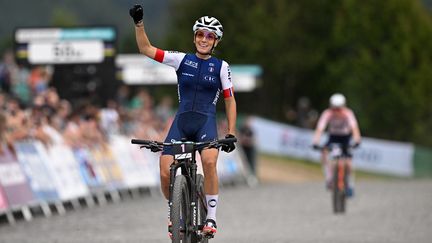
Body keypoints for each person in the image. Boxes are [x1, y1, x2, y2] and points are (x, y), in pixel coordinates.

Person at [129, 4, 237, 238]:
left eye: (210, 36)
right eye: (200, 34)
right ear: (194, 37)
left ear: (216, 41)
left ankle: (211, 218)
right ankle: (174, 211)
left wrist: (230, 132)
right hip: (182, 121)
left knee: (209, 162)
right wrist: (139, 23)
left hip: (206, 122)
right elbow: (146, 49)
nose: (204, 39)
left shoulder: (221, 66)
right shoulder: (181, 60)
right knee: (165, 169)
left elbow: (229, 100)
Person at [312, 93, 361, 197]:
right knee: (324, 152)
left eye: (339, 108)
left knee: (348, 163)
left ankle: (350, 185)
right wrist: (316, 142)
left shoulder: (348, 113)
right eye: (334, 108)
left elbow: (355, 129)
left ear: (344, 106)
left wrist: (357, 141)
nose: (336, 111)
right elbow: (320, 129)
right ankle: (329, 178)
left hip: (345, 138)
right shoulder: (327, 114)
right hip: (333, 137)